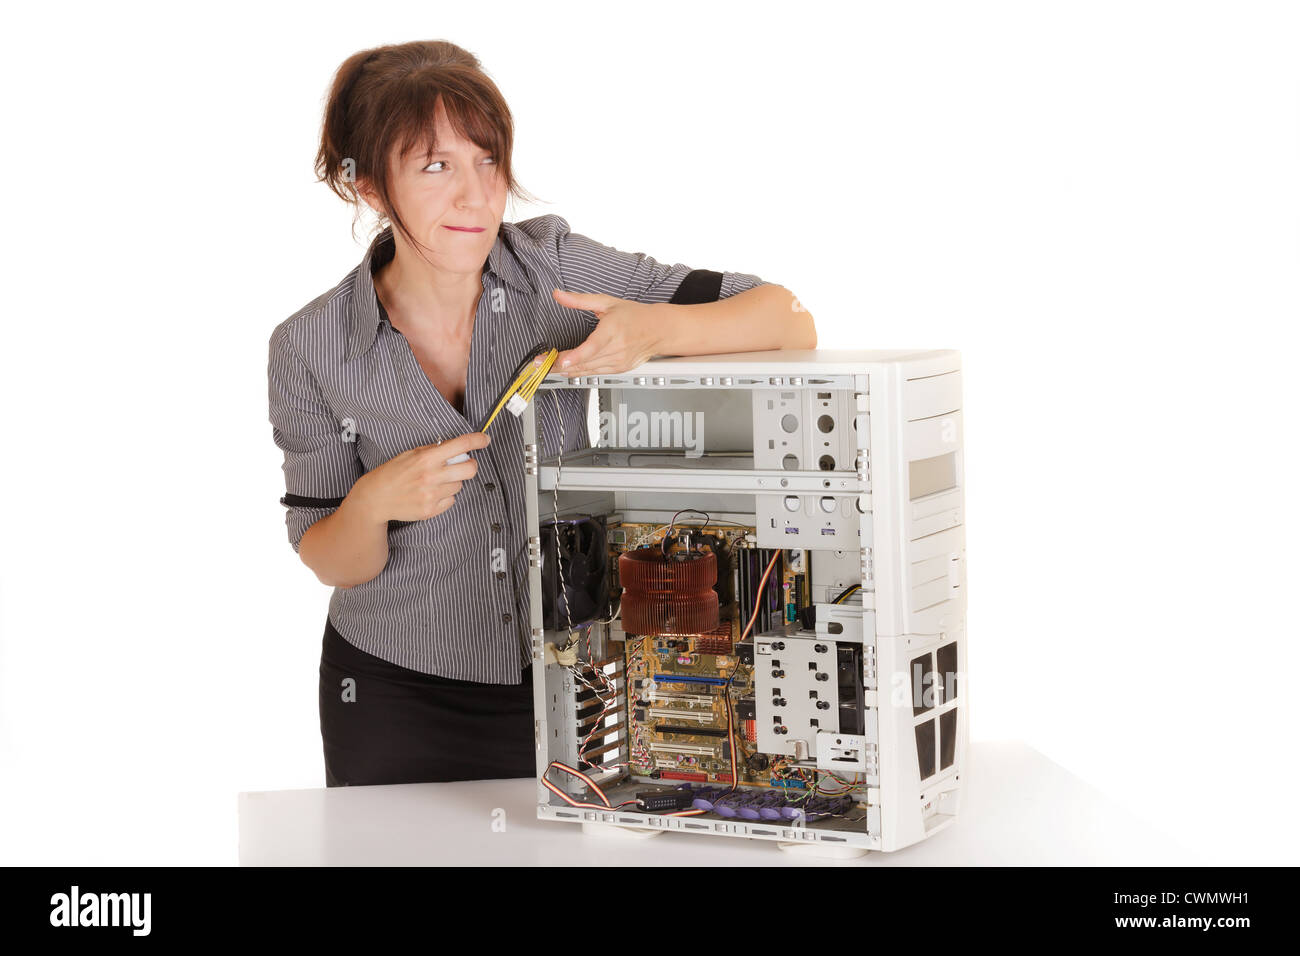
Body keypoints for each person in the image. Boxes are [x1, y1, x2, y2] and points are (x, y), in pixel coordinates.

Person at [267, 39, 817, 787]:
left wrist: (656, 330)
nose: (476, 196)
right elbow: (326, 552)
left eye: (486, 161)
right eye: (435, 166)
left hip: (574, 684)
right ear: (367, 187)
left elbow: (786, 317)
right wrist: (372, 503)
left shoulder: (552, 270)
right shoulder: (310, 346)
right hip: (391, 691)